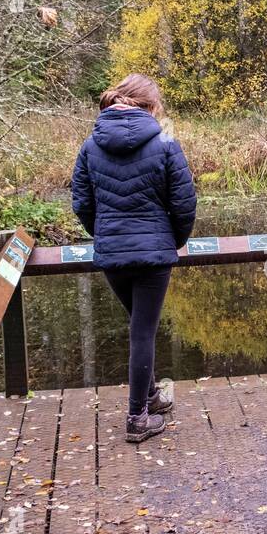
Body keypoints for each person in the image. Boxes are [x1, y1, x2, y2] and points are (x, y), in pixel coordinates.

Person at [71, 74, 196, 443]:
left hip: (113, 254)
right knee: (143, 331)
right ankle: (137, 418)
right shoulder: (164, 142)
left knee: (138, 325)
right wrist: (174, 240)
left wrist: (106, 235)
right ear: (149, 105)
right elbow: (184, 203)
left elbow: (81, 203)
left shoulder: (91, 145)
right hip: (154, 254)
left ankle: (152, 397)